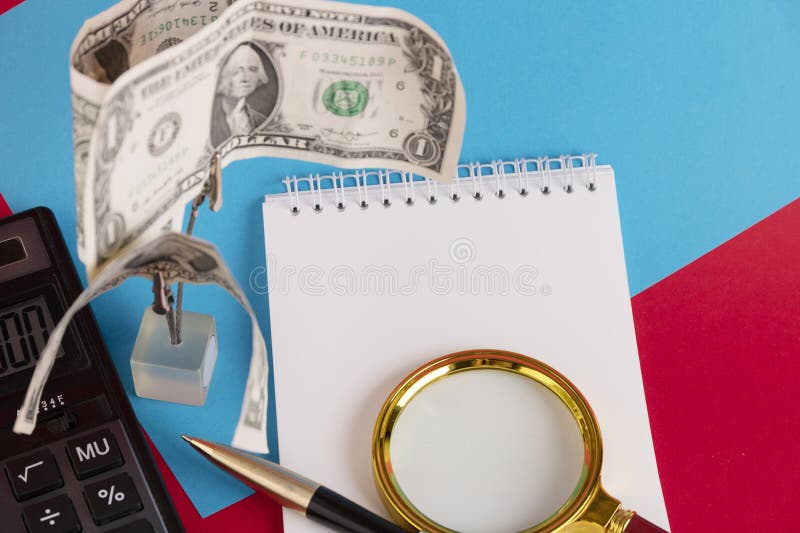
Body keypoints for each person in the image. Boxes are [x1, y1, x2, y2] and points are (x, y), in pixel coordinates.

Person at [210, 43, 276, 146]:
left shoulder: (261, 120)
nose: (245, 78)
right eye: (237, 71)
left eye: (252, 70)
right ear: (224, 76)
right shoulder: (209, 120)